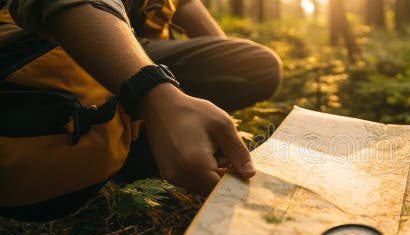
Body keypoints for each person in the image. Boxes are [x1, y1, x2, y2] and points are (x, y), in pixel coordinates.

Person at [0, 0, 281, 221]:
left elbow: (211, 36)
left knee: (258, 65)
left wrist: (214, 115)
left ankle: (146, 145)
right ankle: (136, 143)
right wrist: (157, 94)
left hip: (136, 49)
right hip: (49, 42)